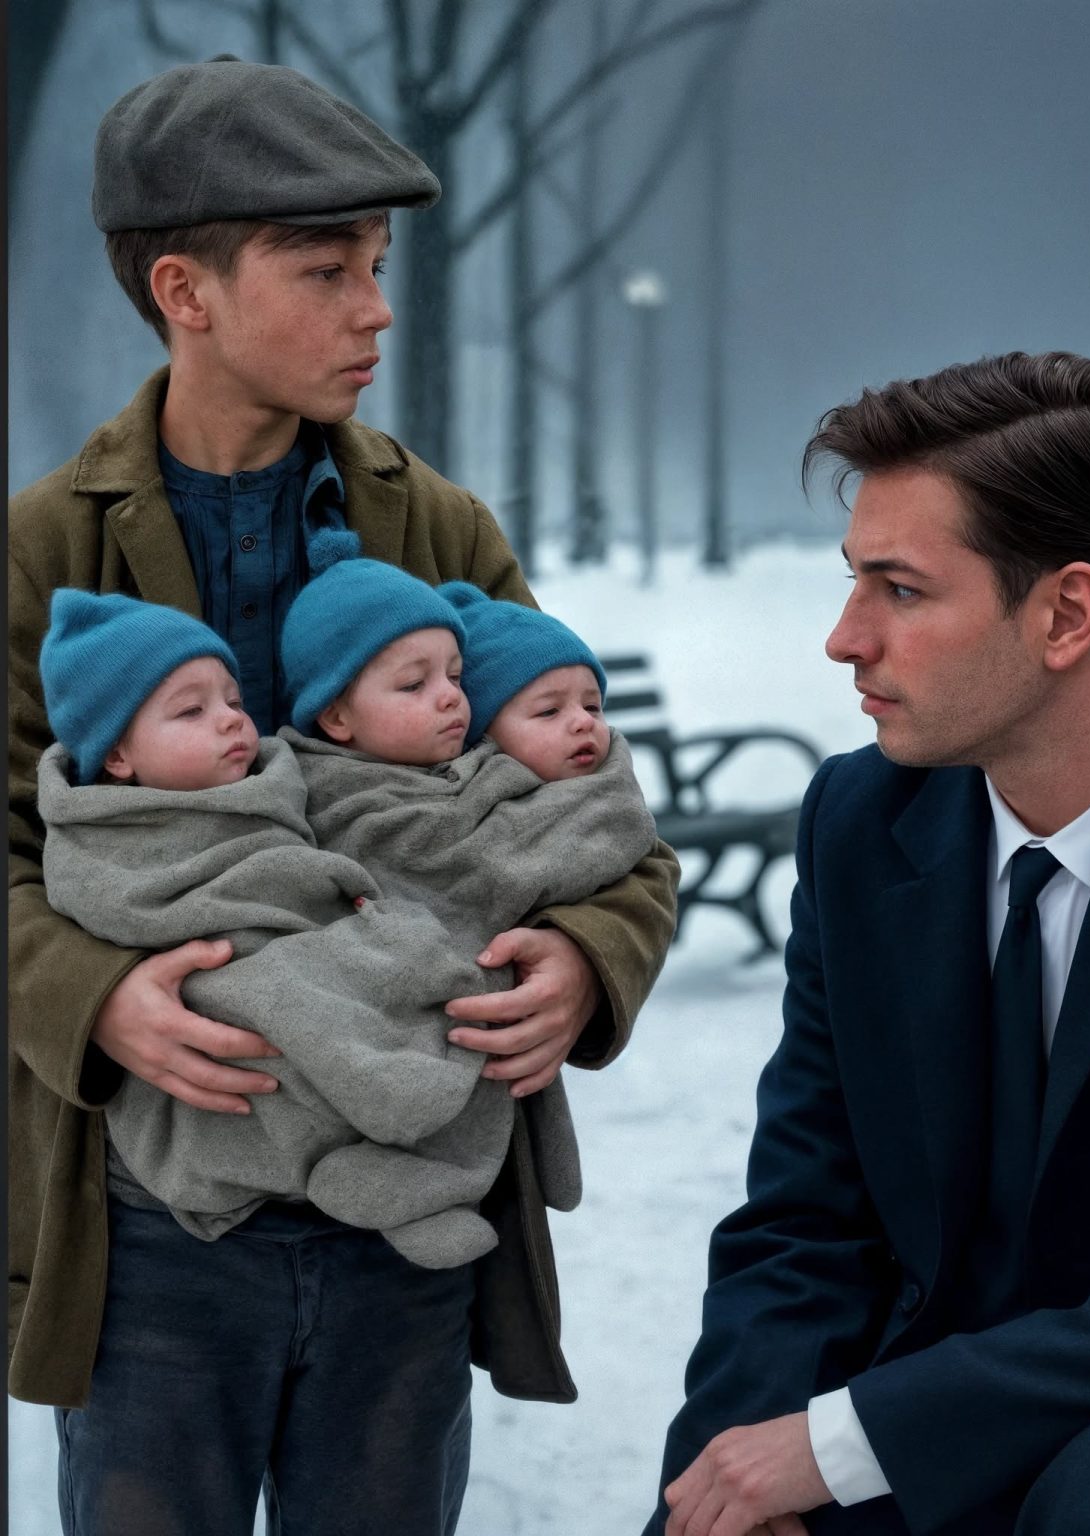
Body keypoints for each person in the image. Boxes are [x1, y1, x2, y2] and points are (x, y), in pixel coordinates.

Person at [8, 55, 678, 1536]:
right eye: (327, 272)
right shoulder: (46, 548)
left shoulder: (436, 527)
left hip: (411, 1210)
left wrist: (587, 955)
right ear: (185, 291)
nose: (376, 309)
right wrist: (95, 999)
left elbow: (592, 795)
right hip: (156, 1218)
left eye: (378, 265)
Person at [648, 351, 1090, 1536]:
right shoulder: (862, 822)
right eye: (851, 581)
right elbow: (803, 1219)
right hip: (922, 1423)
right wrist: (737, 1468)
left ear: (1063, 615)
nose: (843, 639)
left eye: (899, 591)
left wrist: (841, 1442)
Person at [37, 576, 655, 1272]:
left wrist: (589, 952)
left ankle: (403, 1169)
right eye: (192, 711)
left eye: (235, 701)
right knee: (298, 998)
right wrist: (93, 994)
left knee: (451, 999)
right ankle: (378, 1164)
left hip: (327, 987)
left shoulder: (288, 787)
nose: (233, 721)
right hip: (197, 1030)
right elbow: (126, 894)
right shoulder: (104, 825)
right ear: (116, 756)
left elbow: (609, 833)